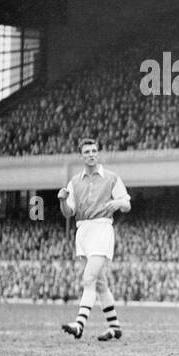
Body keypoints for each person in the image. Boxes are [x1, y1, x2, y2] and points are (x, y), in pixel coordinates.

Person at [57, 138, 131, 341]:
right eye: (87, 151)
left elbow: (126, 204)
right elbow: (68, 213)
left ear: (98, 153)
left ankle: (79, 325)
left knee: (88, 279)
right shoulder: (74, 181)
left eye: (94, 150)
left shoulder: (111, 177)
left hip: (102, 229)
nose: (90, 154)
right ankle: (115, 327)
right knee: (99, 284)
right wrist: (63, 199)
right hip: (83, 231)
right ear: (81, 155)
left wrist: (116, 203)